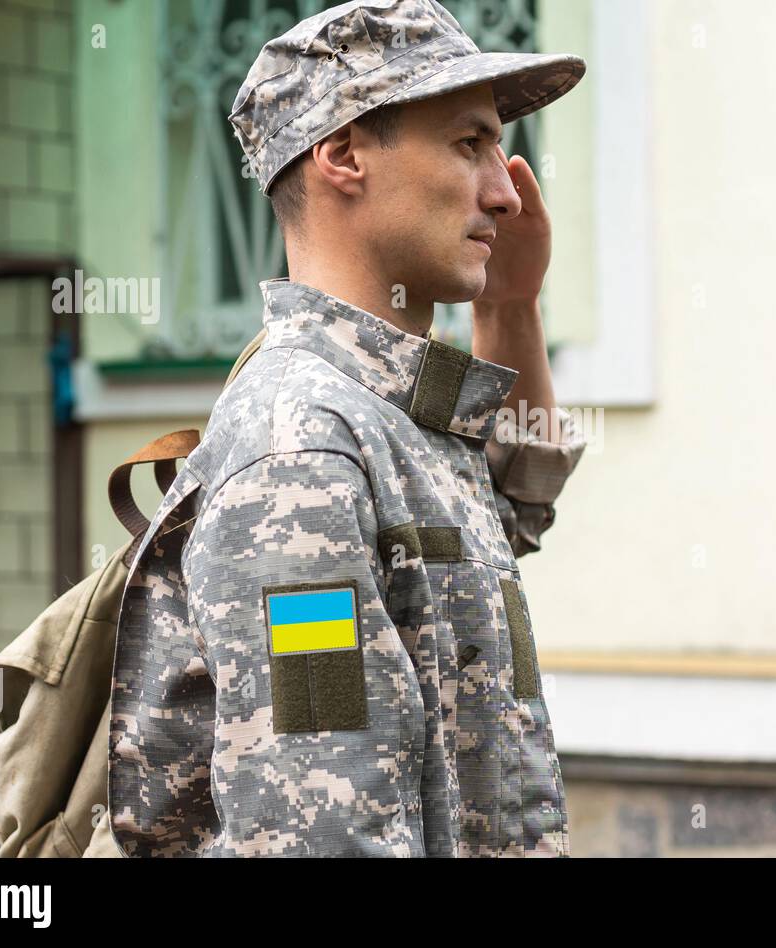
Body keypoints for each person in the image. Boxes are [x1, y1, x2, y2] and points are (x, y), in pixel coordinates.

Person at [107, 0, 588, 857]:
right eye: (468, 143)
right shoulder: (303, 445)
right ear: (343, 155)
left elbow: (510, 512)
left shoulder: (386, 410)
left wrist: (512, 307)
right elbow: (321, 829)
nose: (505, 190)